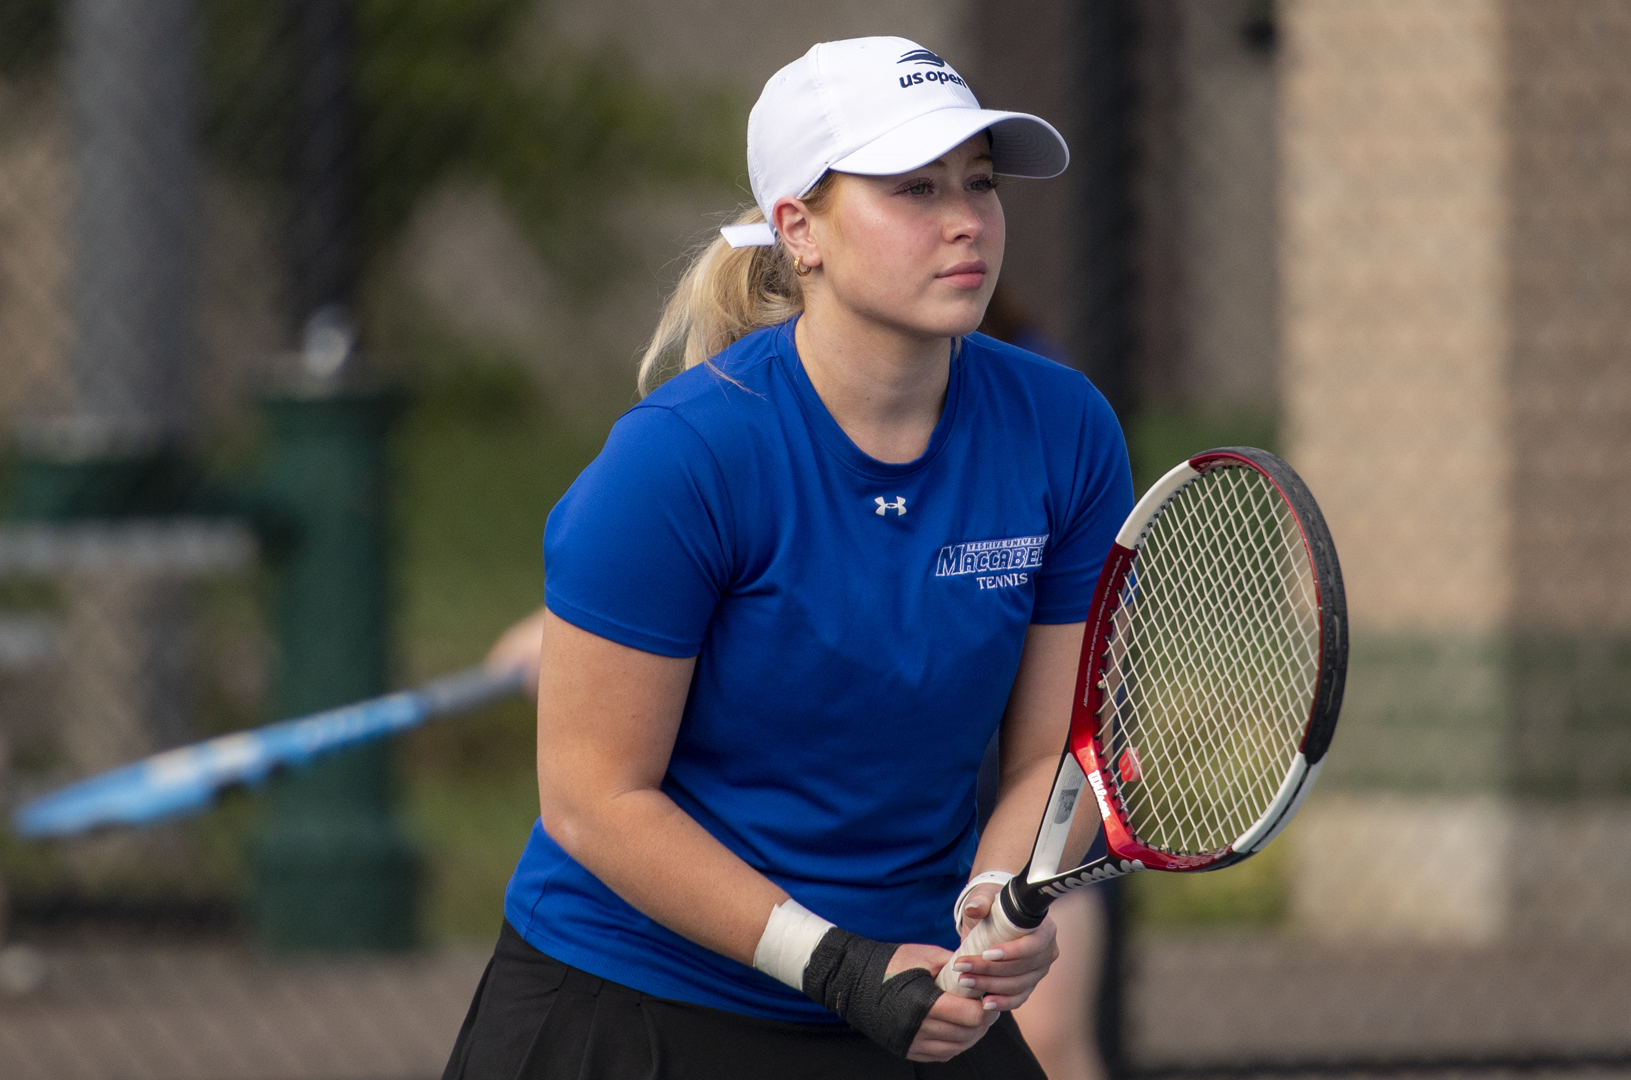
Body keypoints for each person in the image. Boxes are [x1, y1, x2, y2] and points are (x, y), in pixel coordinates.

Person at [445, 36, 1133, 1079]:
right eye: (914, 188)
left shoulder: (1064, 427)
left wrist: (997, 904)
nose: (966, 221)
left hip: (904, 980)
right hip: (637, 997)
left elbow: (1055, 750)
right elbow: (593, 799)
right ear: (798, 228)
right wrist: (840, 966)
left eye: (980, 183)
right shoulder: (680, 459)